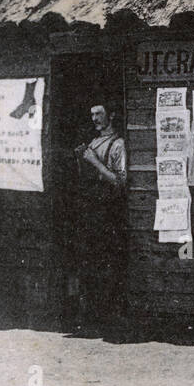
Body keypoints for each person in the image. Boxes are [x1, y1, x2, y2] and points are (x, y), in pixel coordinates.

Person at [73, 102, 127, 321]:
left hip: (108, 211)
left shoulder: (118, 144)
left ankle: (109, 312)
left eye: (99, 114)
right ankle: (91, 311)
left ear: (111, 115)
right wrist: (81, 159)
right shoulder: (94, 142)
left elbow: (120, 181)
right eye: (92, 114)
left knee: (107, 261)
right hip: (90, 209)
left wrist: (94, 161)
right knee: (89, 260)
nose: (94, 118)